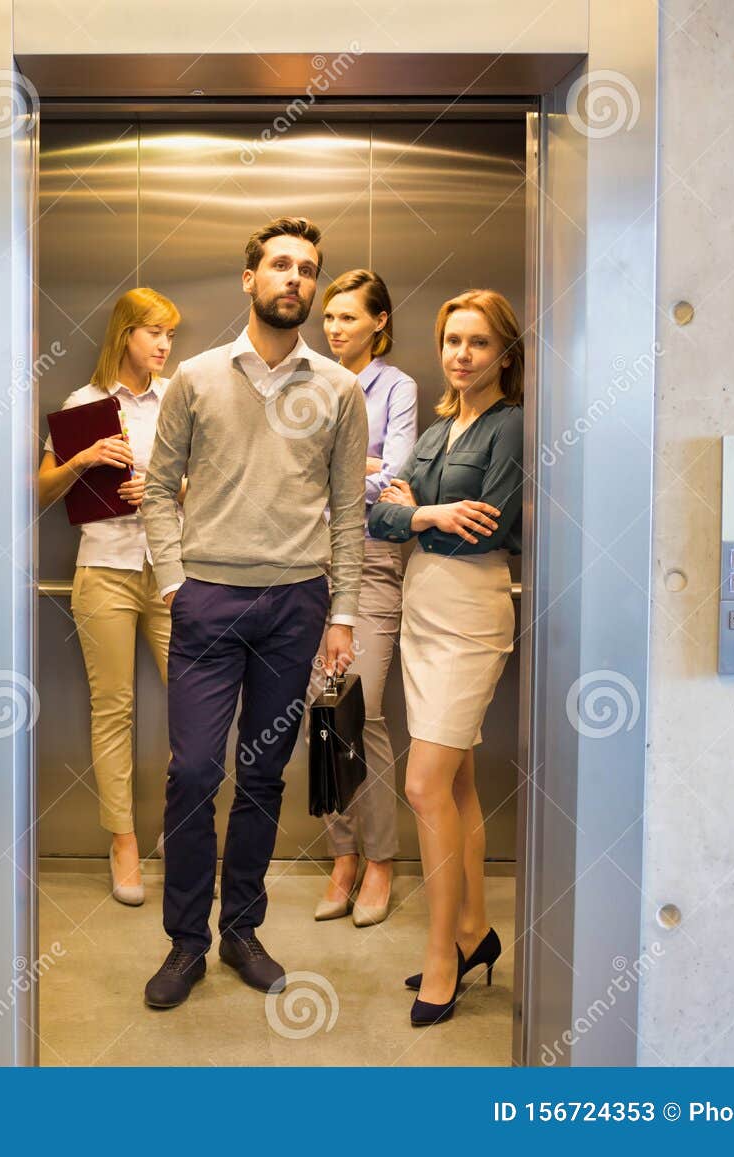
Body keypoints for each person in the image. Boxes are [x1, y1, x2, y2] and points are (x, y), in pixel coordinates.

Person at [138, 217, 367, 1009]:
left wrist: (343, 614)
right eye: (279, 264)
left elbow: (348, 511)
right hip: (207, 599)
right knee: (195, 772)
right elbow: (158, 488)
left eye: (307, 268)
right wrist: (175, 582)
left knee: (263, 774)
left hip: (296, 604)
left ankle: (240, 929)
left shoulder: (338, 389)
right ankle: (185, 942)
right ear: (250, 278)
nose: (293, 278)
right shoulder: (195, 378)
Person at [367, 288, 524, 1025]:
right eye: (452, 341)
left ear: (505, 354)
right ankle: (472, 931)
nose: (462, 355)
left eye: (479, 342)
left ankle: (442, 958)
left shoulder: (512, 426)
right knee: (456, 784)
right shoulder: (436, 430)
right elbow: (380, 513)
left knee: (423, 783)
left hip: (470, 614)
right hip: (421, 608)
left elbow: (490, 525)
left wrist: (412, 513)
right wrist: (427, 513)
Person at [38, 288, 182, 906]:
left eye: (170, 334)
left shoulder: (179, 396)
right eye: (155, 332)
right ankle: (123, 841)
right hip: (105, 568)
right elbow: (41, 490)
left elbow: (214, 479)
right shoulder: (86, 403)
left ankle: (183, 830)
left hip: (172, 571)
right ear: (126, 334)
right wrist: (86, 458)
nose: (165, 344)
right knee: (113, 708)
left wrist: (165, 488)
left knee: (196, 706)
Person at [312, 269, 417, 928]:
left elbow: (397, 476)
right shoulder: (310, 382)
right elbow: (288, 471)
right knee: (324, 712)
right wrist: (360, 469)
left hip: (372, 559)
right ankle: (343, 856)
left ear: (379, 322)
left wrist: (341, 474)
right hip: (307, 562)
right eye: (329, 317)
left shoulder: (396, 387)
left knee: (365, 708)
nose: (334, 328)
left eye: (348, 317)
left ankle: (381, 858)